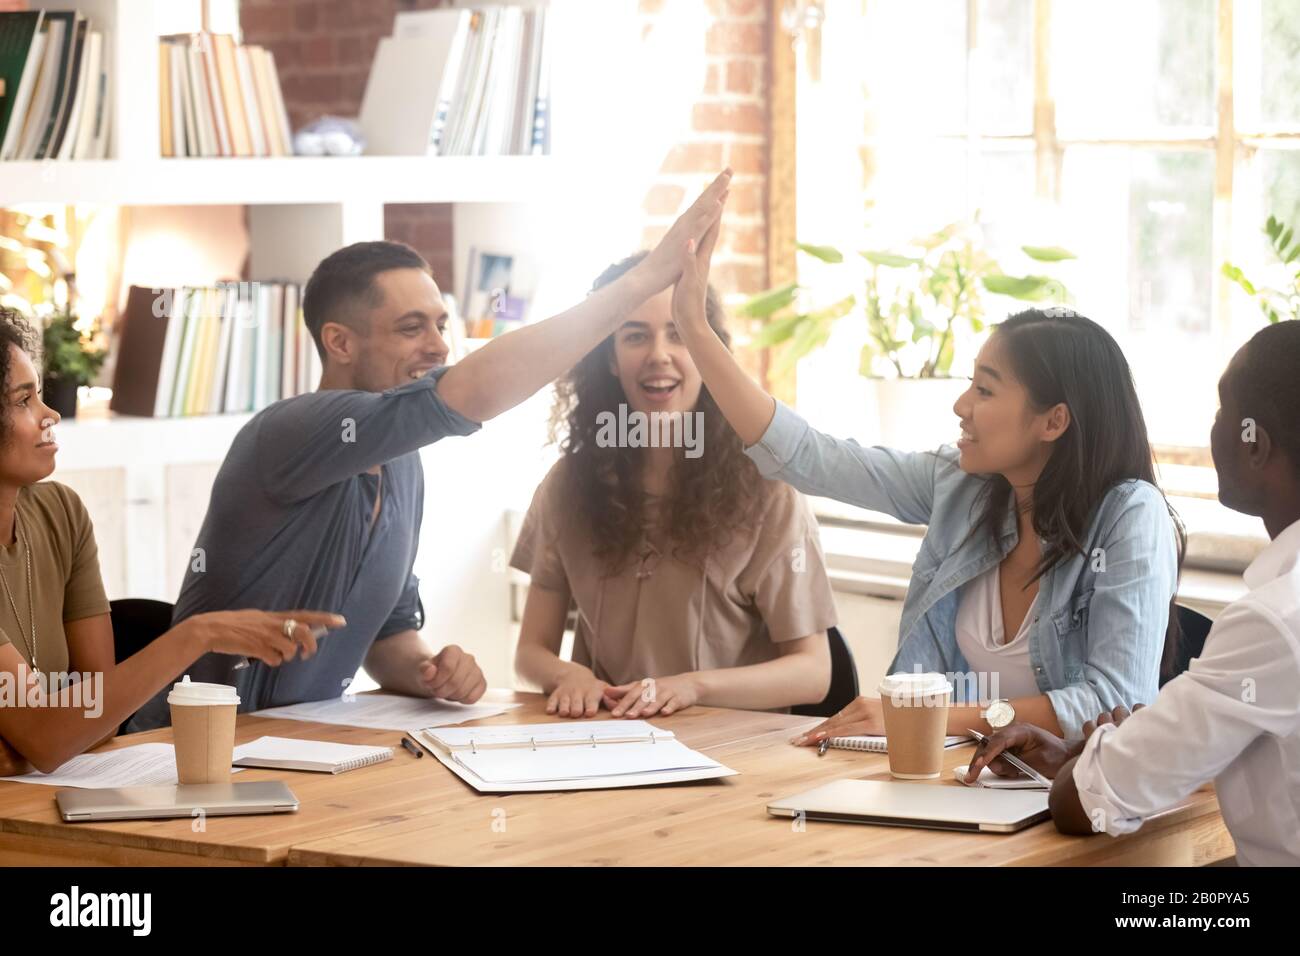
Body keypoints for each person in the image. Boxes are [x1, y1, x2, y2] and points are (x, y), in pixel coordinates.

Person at [127, 170, 733, 730]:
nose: (439, 347)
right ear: (338, 342)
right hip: (183, 751)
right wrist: (642, 283)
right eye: (412, 328)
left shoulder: (402, 463)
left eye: (442, 325)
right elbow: (470, 392)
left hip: (298, 749)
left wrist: (428, 670)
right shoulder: (291, 431)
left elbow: (385, 632)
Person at [667, 204, 1185, 742]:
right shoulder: (962, 484)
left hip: (1063, 800)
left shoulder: (1130, 516)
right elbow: (806, 456)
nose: (962, 405)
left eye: (985, 389)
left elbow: (1112, 701)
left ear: (1053, 421)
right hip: (950, 783)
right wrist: (696, 331)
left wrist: (923, 719)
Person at [964, 320, 1300, 866]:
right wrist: (1092, 754)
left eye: (1220, 412)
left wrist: (1096, 766)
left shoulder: (1273, 621)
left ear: (1254, 443)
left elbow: (1080, 804)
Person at [0, 308, 343, 775]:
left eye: (39, 394)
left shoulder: (60, 512)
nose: (50, 414)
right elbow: (51, 737)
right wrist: (199, 634)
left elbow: (98, 722)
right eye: (24, 400)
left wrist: (36, 739)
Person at [512, 252, 836, 719]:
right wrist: (568, 674)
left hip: (734, 758)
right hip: (605, 745)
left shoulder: (768, 493)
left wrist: (693, 687)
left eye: (679, 334)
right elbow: (531, 652)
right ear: (609, 358)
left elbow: (812, 672)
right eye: (635, 336)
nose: (658, 355)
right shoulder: (567, 487)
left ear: (709, 352)